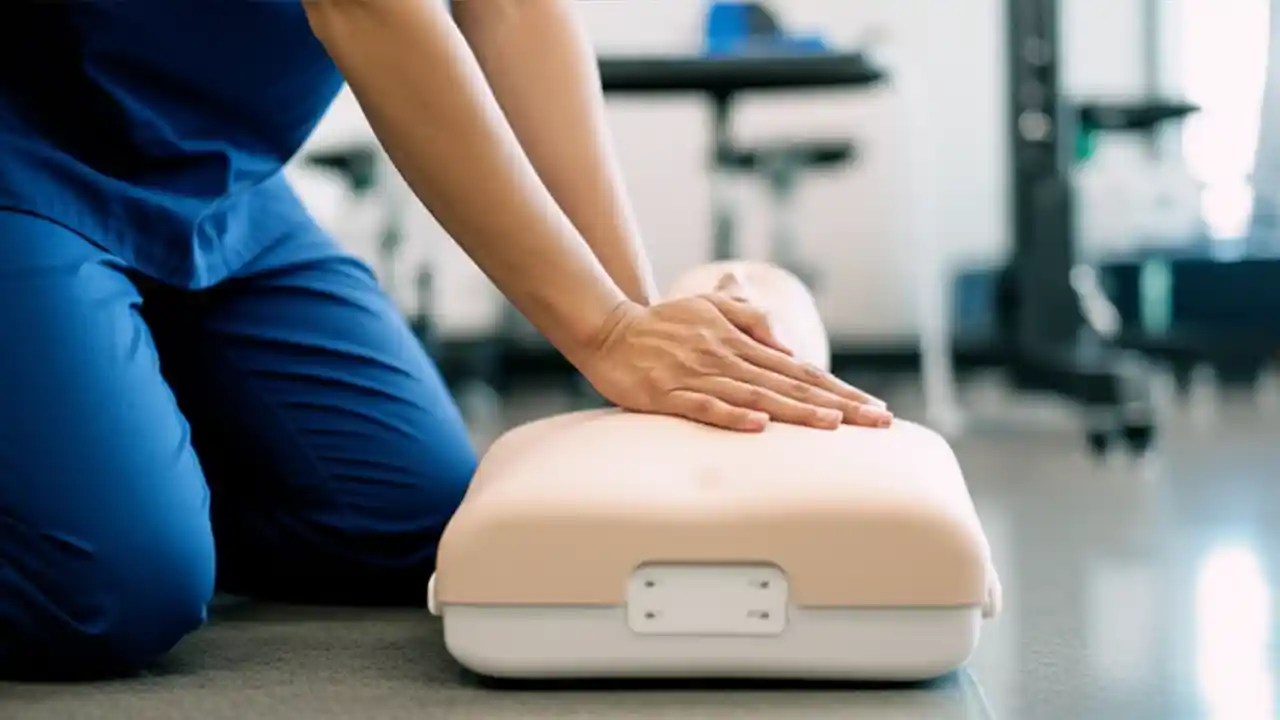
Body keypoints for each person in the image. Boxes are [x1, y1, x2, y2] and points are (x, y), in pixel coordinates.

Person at [0, 0, 893, 679]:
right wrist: (605, 329)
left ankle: (89, 464)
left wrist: (639, 315)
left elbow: (512, 9)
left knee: (407, 525)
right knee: (109, 593)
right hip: (27, 143)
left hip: (217, 176)